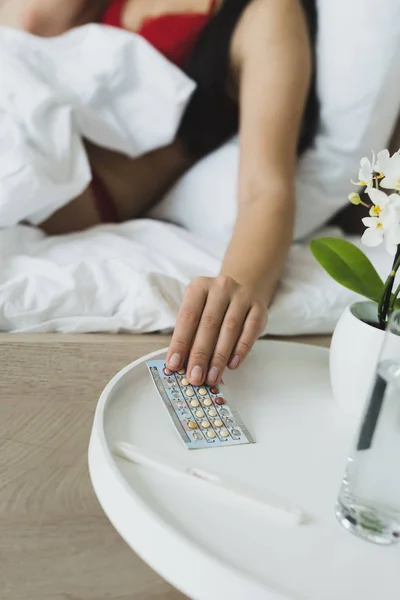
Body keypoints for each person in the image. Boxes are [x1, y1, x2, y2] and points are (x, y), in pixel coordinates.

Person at [14, 0, 319, 386]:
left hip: (69, 188)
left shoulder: (268, 13)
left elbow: (267, 188)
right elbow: (28, 26)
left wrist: (237, 287)